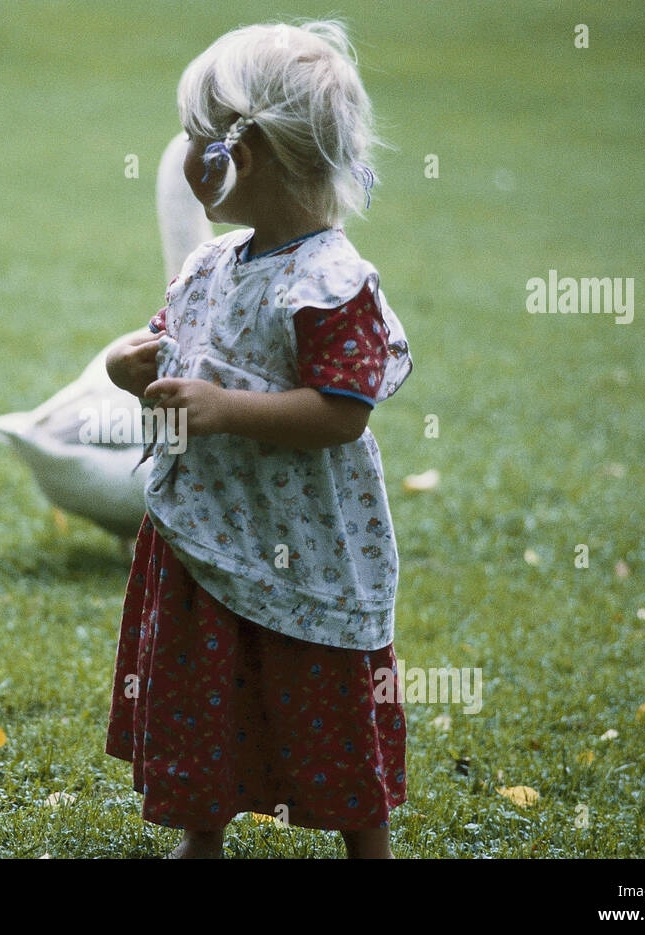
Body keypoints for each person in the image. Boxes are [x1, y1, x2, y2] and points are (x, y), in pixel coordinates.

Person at [104, 19, 414, 858]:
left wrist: (222, 408)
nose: (185, 155)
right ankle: (202, 834)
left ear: (255, 153)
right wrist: (128, 366)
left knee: (322, 683)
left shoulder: (331, 283)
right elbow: (178, 347)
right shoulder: (213, 263)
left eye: (201, 138)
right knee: (207, 685)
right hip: (210, 528)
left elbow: (343, 410)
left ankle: (367, 843)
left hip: (303, 538)